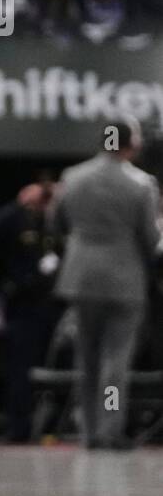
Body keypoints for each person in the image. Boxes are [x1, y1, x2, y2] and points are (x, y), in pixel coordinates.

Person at [51, 118, 161, 450]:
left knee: (86, 358)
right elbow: (151, 238)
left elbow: (56, 223)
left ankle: (88, 433)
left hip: (81, 278)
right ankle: (109, 430)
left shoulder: (72, 177)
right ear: (132, 144)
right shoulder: (141, 184)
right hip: (124, 281)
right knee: (115, 361)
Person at [0, 179, 61, 442]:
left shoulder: (54, 224)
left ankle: (49, 427)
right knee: (20, 370)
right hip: (23, 305)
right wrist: (19, 204)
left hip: (52, 306)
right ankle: (19, 428)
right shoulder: (18, 220)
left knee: (51, 369)